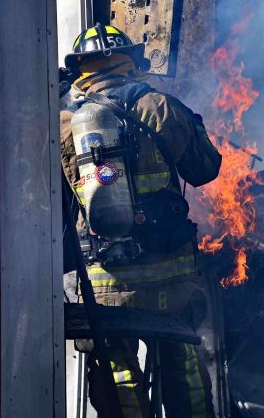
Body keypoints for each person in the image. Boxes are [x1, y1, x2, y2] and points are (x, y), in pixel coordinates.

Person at [60, 23, 222, 417]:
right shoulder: (158, 105)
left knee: (119, 377)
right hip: (172, 276)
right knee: (183, 367)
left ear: (82, 68)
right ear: (131, 61)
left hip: (102, 283)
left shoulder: (63, 122)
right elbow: (205, 169)